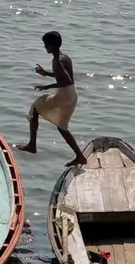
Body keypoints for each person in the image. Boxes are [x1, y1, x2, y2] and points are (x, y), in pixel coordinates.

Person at [17, 31, 87, 166]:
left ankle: (32, 145)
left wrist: (47, 86)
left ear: (53, 46)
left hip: (63, 95)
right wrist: (46, 74)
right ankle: (80, 157)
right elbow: (67, 79)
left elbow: (64, 80)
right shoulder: (65, 57)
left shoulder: (57, 61)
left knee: (35, 108)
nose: (45, 48)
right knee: (62, 127)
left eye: (46, 45)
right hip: (72, 94)